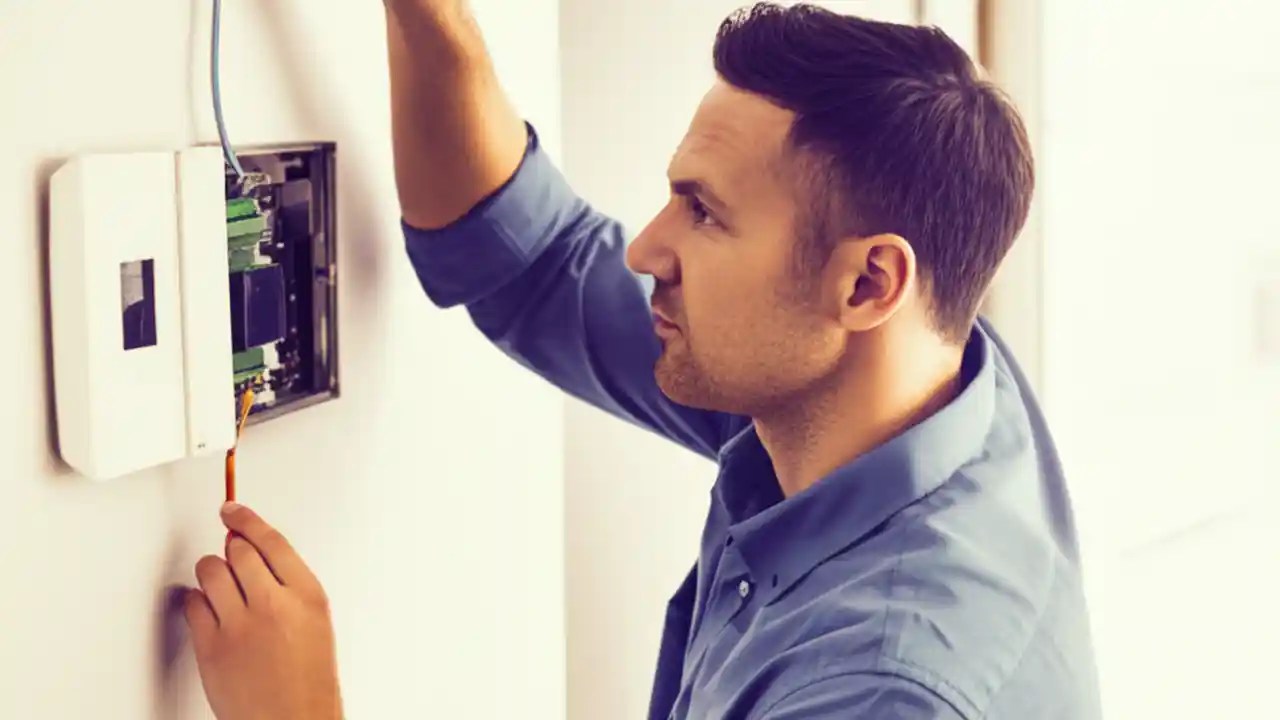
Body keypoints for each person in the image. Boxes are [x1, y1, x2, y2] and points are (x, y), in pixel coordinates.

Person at [183, 2, 1103, 718]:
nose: (645, 249)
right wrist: (431, 16)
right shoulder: (917, 377)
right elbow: (531, 262)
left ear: (868, 285)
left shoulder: (884, 689)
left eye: (703, 212)